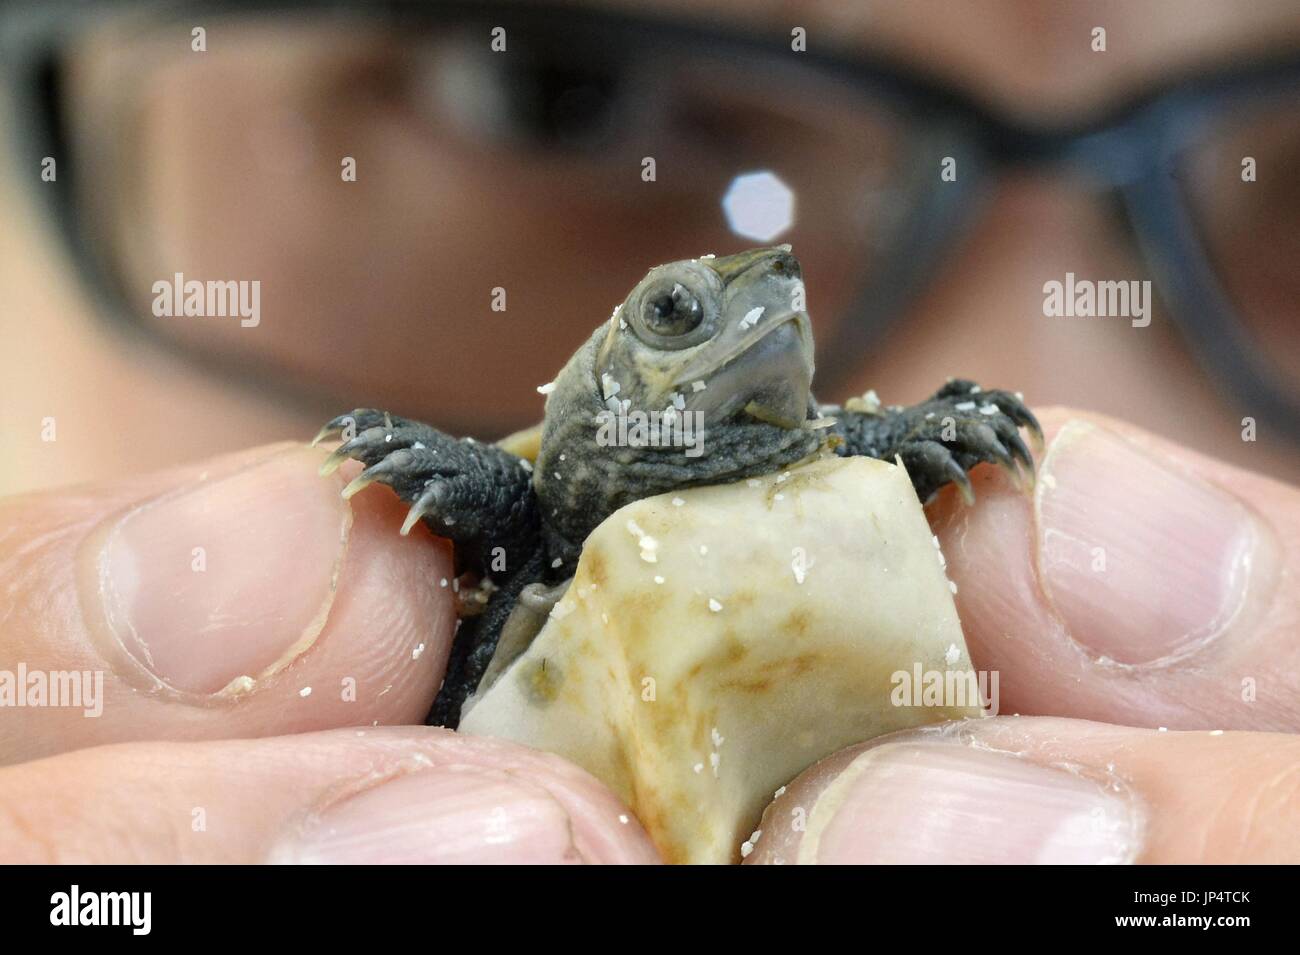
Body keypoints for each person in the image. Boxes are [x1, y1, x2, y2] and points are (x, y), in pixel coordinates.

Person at [0, 0, 1297, 862]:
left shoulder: (852, 460)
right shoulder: (520, 518)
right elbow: (531, 516)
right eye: (566, 95)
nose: (1046, 377)